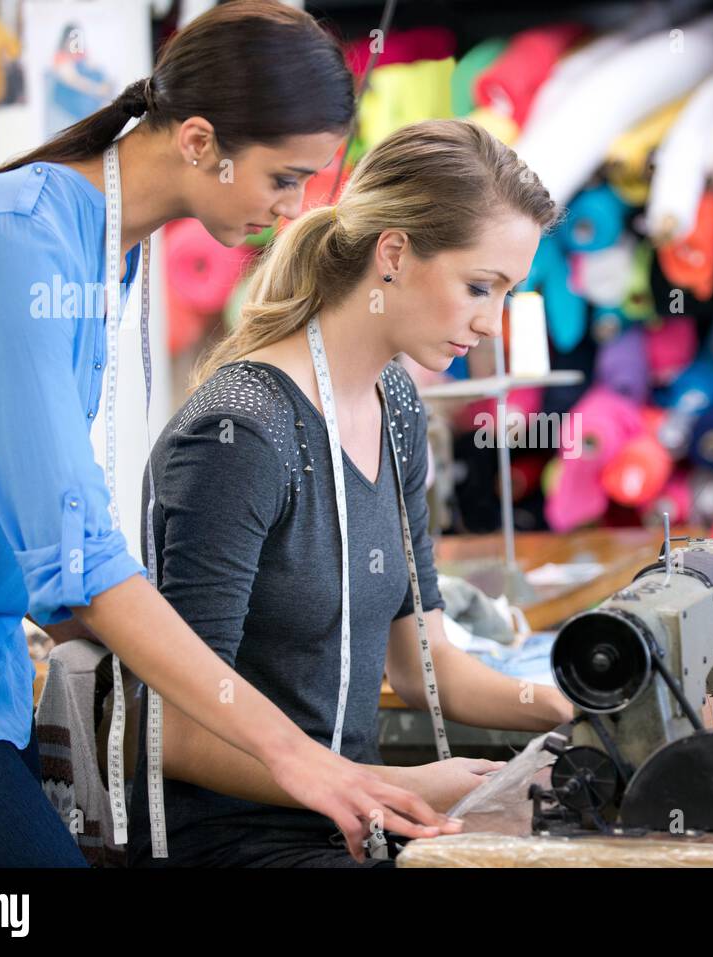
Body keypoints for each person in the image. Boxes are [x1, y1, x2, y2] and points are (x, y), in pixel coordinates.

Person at [0, 0, 456, 868]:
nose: (294, 208)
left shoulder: (112, 247)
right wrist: (298, 755)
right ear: (196, 142)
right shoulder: (17, 242)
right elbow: (74, 555)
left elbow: (35, 537)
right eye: (282, 177)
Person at [129, 118, 572, 867]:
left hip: (360, 825)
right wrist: (389, 782)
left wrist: (577, 703)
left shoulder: (394, 402)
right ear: (394, 253)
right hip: (243, 843)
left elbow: (423, 662)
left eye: (505, 294)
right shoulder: (238, 438)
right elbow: (176, 733)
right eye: (477, 286)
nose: (488, 323)